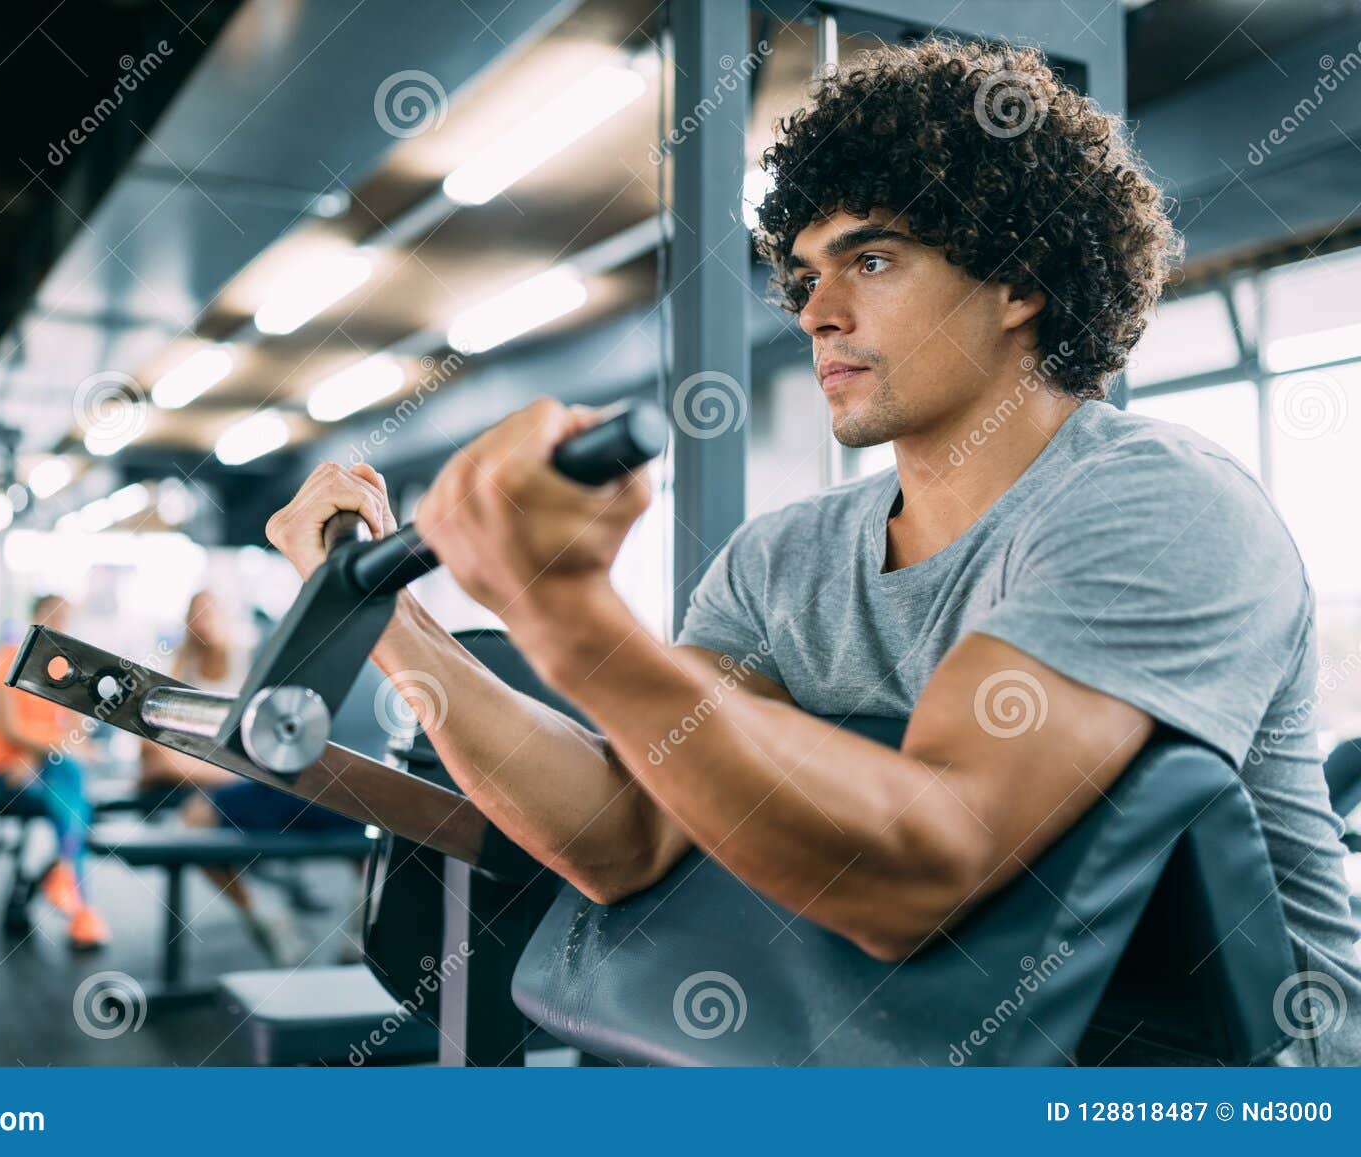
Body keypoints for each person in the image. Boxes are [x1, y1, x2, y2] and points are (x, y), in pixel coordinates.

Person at [265, 39, 1361, 1065]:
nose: (815, 311)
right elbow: (622, 838)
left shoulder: (1154, 504)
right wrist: (385, 622)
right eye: (803, 272)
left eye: (870, 260)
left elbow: (920, 872)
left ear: (1020, 283)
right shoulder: (783, 557)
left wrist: (565, 613)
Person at [141, 589, 350, 965]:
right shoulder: (178, 668)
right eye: (197, 614)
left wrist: (195, 767)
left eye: (211, 612)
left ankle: (362, 924)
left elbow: (264, 747)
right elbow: (156, 754)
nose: (205, 621)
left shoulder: (250, 660)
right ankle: (264, 916)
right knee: (194, 826)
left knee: (357, 813)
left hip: (256, 777)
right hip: (220, 781)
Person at [0, 595, 109, 949]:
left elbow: (77, 738)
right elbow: (13, 731)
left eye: (65, 618)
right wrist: (48, 751)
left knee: (68, 778)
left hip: (48, 774)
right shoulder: (8, 660)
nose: (59, 624)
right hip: (7, 777)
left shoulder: (67, 673)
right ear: (35, 618)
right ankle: (77, 901)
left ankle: (65, 875)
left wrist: (60, 750)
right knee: (71, 788)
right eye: (51, 615)